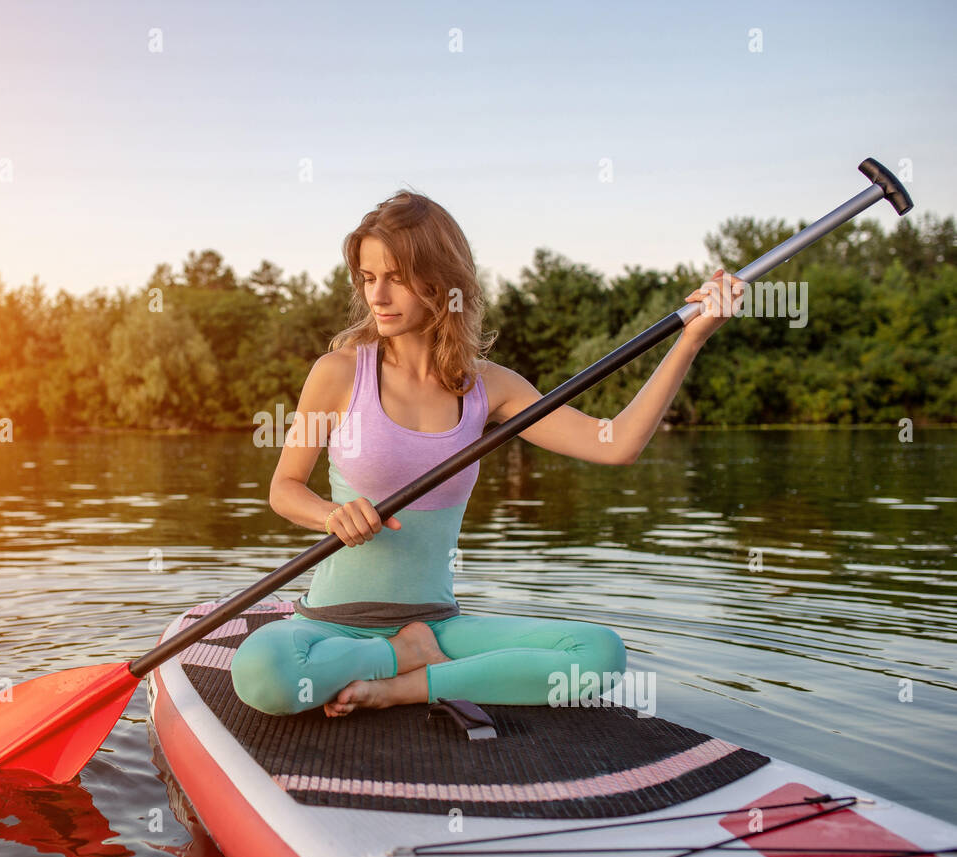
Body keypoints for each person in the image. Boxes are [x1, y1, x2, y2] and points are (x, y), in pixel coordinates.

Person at [230, 190, 745, 718]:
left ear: (441, 279)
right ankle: (393, 656)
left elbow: (615, 445)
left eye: (397, 277)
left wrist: (691, 340)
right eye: (367, 277)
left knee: (600, 655)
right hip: (329, 624)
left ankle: (405, 683)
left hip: (439, 628)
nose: (377, 295)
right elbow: (284, 488)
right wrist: (330, 514)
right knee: (261, 676)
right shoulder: (339, 372)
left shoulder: (488, 388)